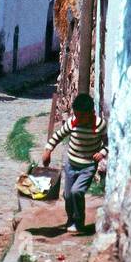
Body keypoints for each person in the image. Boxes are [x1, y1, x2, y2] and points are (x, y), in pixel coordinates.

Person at [41, 93, 107, 234]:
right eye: (77, 115)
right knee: (68, 195)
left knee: (77, 191)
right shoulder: (73, 122)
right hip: (71, 163)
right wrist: (48, 150)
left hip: (88, 166)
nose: (80, 119)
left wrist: (102, 152)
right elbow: (58, 136)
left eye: (83, 116)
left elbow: (108, 142)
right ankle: (70, 219)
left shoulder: (99, 125)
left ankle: (79, 221)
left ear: (92, 113)